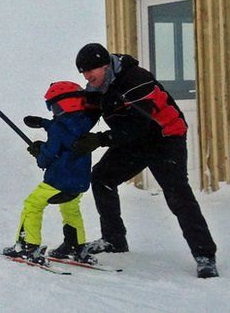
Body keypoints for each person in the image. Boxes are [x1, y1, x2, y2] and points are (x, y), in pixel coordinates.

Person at [71, 43, 219, 278]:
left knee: (177, 194)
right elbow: (83, 116)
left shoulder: (136, 80)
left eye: (92, 70)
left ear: (106, 65)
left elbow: (139, 126)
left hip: (165, 138)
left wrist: (101, 139)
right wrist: (60, 132)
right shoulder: (96, 88)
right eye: (84, 72)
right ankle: (114, 239)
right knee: (102, 177)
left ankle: (205, 255)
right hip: (135, 141)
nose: (88, 76)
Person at [2, 81, 101, 265]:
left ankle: (27, 246)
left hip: (58, 181)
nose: (52, 110)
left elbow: (48, 155)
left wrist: (39, 152)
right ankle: (75, 246)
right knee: (71, 208)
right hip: (79, 181)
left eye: (53, 106)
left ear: (62, 104)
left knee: (32, 204)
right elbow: (67, 129)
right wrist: (42, 123)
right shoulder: (85, 121)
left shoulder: (58, 128)